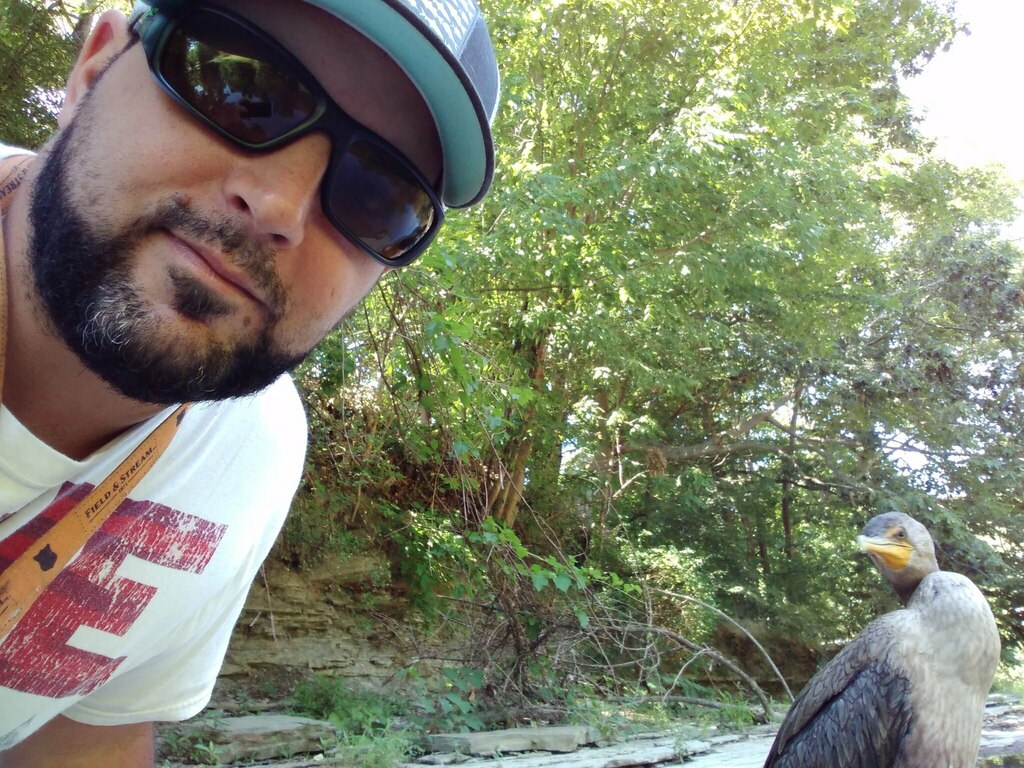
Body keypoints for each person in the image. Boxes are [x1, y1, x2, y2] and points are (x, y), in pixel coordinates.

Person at [0, 0, 499, 763]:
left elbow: (82, 727)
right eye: (241, 85)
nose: (278, 206)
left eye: (381, 196)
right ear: (94, 65)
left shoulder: (251, 452)